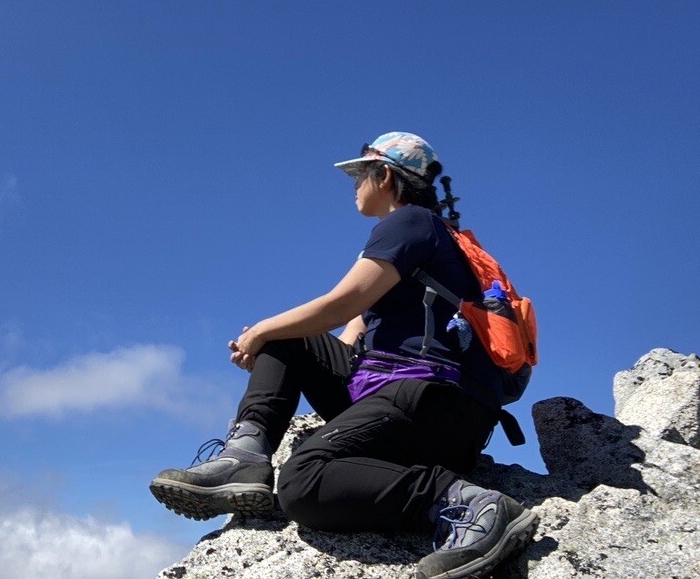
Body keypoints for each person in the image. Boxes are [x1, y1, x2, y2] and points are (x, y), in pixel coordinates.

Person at [149, 132, 539, 579]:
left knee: (302, 482)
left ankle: (469, 504)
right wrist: (273, 341)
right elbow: (347, 331)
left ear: (385, 175)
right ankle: (246, 456)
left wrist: (258, 331)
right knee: (288, 339)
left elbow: (340, 305)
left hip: (430, 400)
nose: (354, 184)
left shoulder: (409, 222)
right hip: (422, 402)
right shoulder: (428, 238)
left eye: (359, 173)